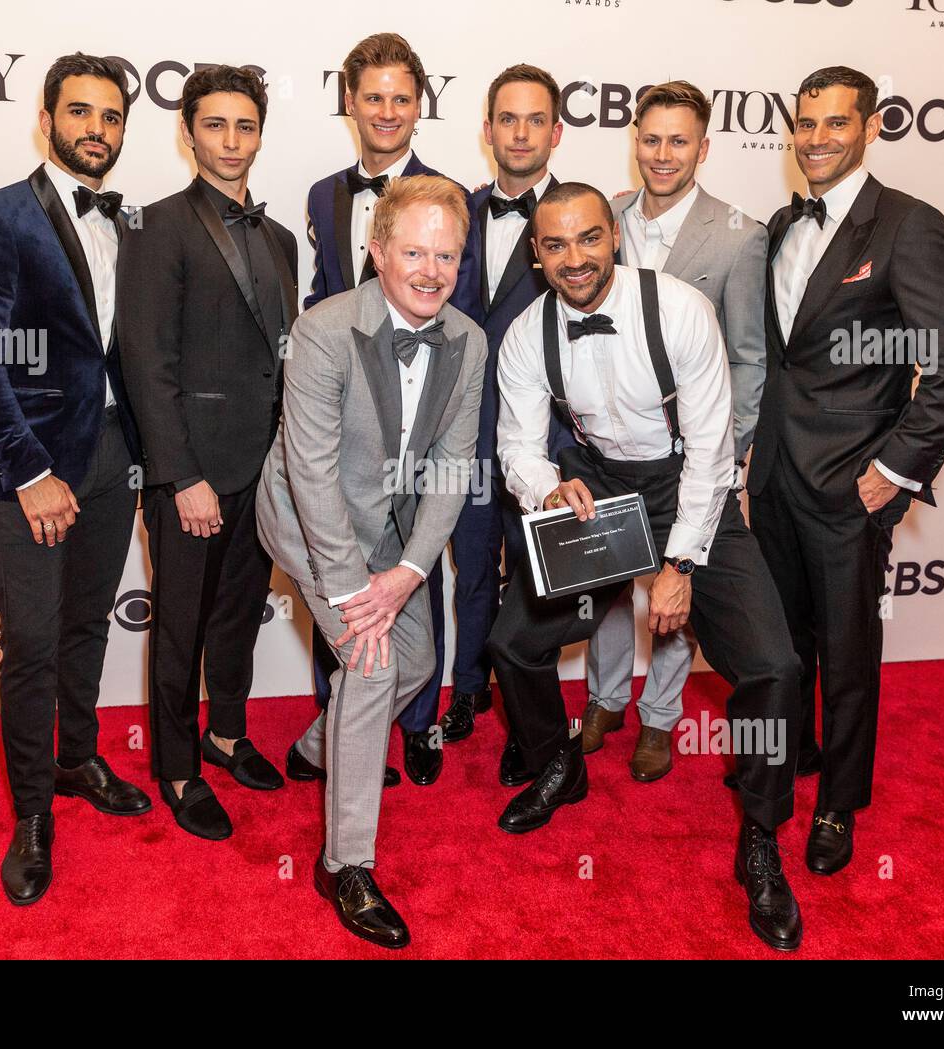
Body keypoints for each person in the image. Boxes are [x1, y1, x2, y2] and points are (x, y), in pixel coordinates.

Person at [488, 182, 805, 951]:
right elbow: (518, 445)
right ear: (537, 253)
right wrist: (546, 487)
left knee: (774, 665)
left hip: (687, 487)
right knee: (513, 644)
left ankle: (761, 837)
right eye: (556, 245)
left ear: (615, 238)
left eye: (589, 238)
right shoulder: (528, 334)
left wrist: (680, 562)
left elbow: (712, 452)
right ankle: (559, 763)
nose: (574, 258)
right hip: (594, 488)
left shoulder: (680, 311)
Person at [746, 66, 944, 876]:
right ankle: (789, 756)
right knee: (780, 644)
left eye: (835, 123)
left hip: (850, 484)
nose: (816, 139)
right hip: (774, 476)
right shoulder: (784, 223)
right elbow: (786, 360)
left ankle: (838, 803)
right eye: (805, 123)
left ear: (871, 126)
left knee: (847, 654)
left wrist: (892, 469)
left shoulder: (909, 226)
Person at [257, 175, 486, 948]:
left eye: (446, 256)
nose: (431, 270)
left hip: (390, 531)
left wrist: (410, 572)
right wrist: (357, 593)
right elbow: (312, 473)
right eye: (414, 252)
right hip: (308, 520)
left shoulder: (469, 340)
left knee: (417, 661)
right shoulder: (322, 331)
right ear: (378, 251)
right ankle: (346, 863)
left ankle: (315, 747)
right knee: (374, 660)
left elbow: (453, 467)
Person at [0, 53, 150, 906]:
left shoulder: (132, 223)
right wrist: (28, 471)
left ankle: (77, 758)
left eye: (111, 116)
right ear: (46, 119)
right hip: (30, 463)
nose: (96, 129)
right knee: (30, 641)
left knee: (86, 625)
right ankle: (32, 814)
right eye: (80, 112)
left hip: (115, 457)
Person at [296, 31, 480, 787]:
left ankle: (417, 723)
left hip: (424, 410)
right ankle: (344, 723)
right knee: (336, 567)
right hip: (347, 412)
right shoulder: (324, 193)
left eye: (402, 98)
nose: (387, 110)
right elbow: (325, 296)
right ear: (350, 102)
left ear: (419, 106)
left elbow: (454, 309)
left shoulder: (450, 195)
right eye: (373, 96)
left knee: (413, 574)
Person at [118, 65, 297, 841]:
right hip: (190, 473)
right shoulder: (155, 226)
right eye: (215, 125)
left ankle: (226, 733)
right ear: (188, 131)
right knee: (180, 626)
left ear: (260, 134)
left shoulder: (281, 238)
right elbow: (145, 361)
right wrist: (180, 474)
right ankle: (178, 767)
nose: (231, 140)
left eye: (245, 125)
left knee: (236, 618)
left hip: (263, 471)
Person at [584, 81, 770, 784]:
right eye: (652, 139)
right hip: (607, 451)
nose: (663, 155)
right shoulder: (603, 216)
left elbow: (747, 357)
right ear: (635, 141)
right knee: (606, 582)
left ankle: (660, 716)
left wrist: (725, 453)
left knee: (675, 585)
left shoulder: (740, 235)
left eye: (679, 141)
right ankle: (605, 698)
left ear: (704, 147)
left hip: (690, 456)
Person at [437, 64, 562, 772]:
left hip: (544, 439)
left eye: (534, 119)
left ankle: (526, 718)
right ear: (486, 130)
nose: (520, 133)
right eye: (507, 119)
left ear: (556, 132)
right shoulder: (455, 209)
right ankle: (467, 689)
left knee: (538, 580)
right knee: (472, 569)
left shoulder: (575, 218)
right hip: (462, 431)